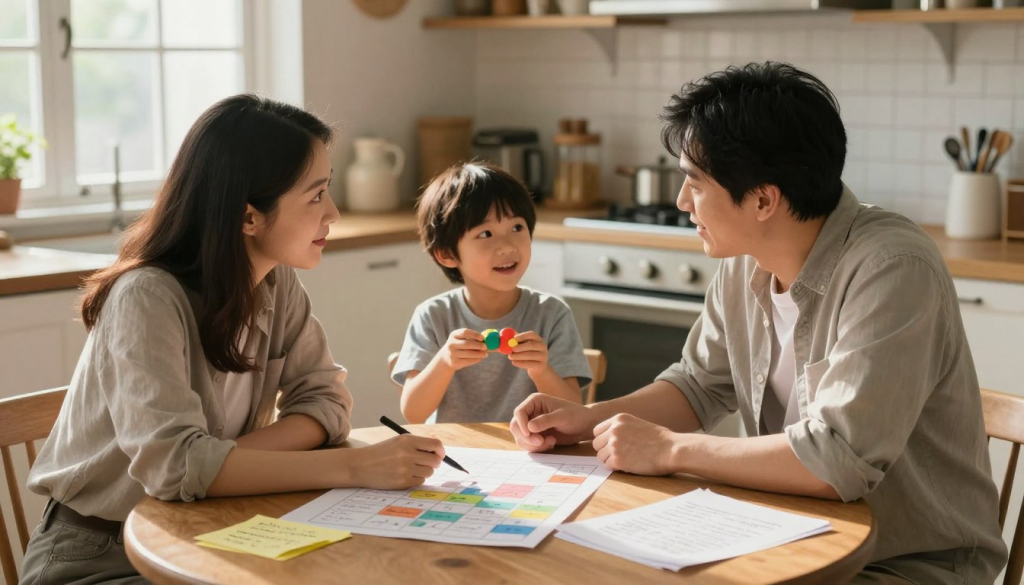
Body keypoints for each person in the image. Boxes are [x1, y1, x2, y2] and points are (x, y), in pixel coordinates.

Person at [509, 62, 1008, 584]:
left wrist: (670, 449)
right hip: (790, 535)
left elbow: (836, 460)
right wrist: (588, 420)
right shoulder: (745, 259)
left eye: (694, 184)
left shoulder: (892, 269)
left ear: (764, 199)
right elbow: (699, 387)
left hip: (903, 565)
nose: (681, 203)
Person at [19, 94, 445, 585]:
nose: (333, 213)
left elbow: (326, 402)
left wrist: (224, 463)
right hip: (100, 555)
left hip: (211, 522)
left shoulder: (276, 283)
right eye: (315, 194)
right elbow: (176, 467)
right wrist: (352, 468)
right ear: (248, 217)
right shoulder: (146, 298)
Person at [391, 163, 591, 424]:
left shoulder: (551, 314)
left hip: (531, 453)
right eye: (485, 233)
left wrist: (540, 370)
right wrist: (444, 362)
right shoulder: (433, 316)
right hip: (454, 454)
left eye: (517, 228)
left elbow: (573, 412)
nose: (507, 246)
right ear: (447, 254)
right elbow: (414, 414)